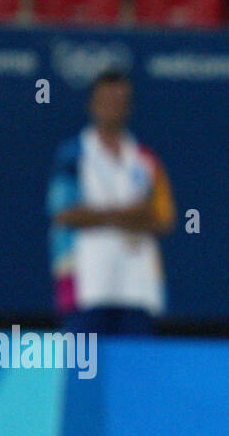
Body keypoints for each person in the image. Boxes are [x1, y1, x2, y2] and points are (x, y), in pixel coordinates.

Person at [47, 70, 176, 335]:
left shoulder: (145, 158)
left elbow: (163, 218)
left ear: (129, 107)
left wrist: (96, 215)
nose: (112, 108)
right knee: (84, 368)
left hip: (136, 286)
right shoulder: (72, 156)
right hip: (86, 284)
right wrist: (128, 214)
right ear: (91, 105)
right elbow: (64, 214)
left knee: (135, 370)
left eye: (119, 101)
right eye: (106, 101)